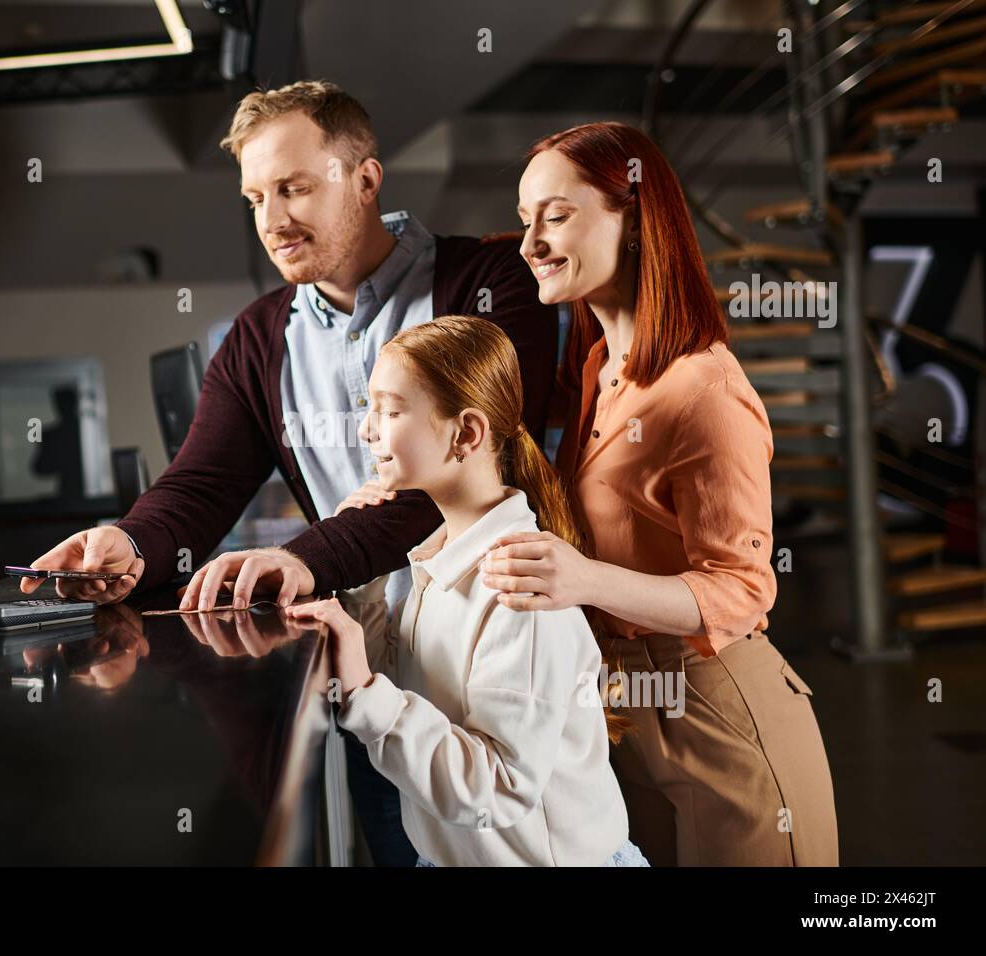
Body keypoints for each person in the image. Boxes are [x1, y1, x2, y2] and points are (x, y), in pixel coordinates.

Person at [192, 121, 839, 867]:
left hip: (715, 703)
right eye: (527, 218)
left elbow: (745, 591)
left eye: (556, 216)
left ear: (635, 220)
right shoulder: (597, 370)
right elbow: (496, 446)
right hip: (630, 702)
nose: (529, 242)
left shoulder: (704, 389)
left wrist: (583, 579)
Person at [21, 80, 559, 866]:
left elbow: (462, 479)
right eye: (255, 197)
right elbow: (200, 487)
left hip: (500, 670)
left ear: (367, 180)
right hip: (376, 690)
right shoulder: (257, 338)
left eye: (295, 187)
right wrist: (129, 544)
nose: (273, 219)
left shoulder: (491, 286)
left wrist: (300, 559)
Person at [285, 315, 646, 866]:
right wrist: (365, 587)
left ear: (466, 435)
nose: (366, 430)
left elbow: (500, 785)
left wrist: (360, 688)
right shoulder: (442, 561)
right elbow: (417, 682)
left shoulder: (516, 589)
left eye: (390, 409)